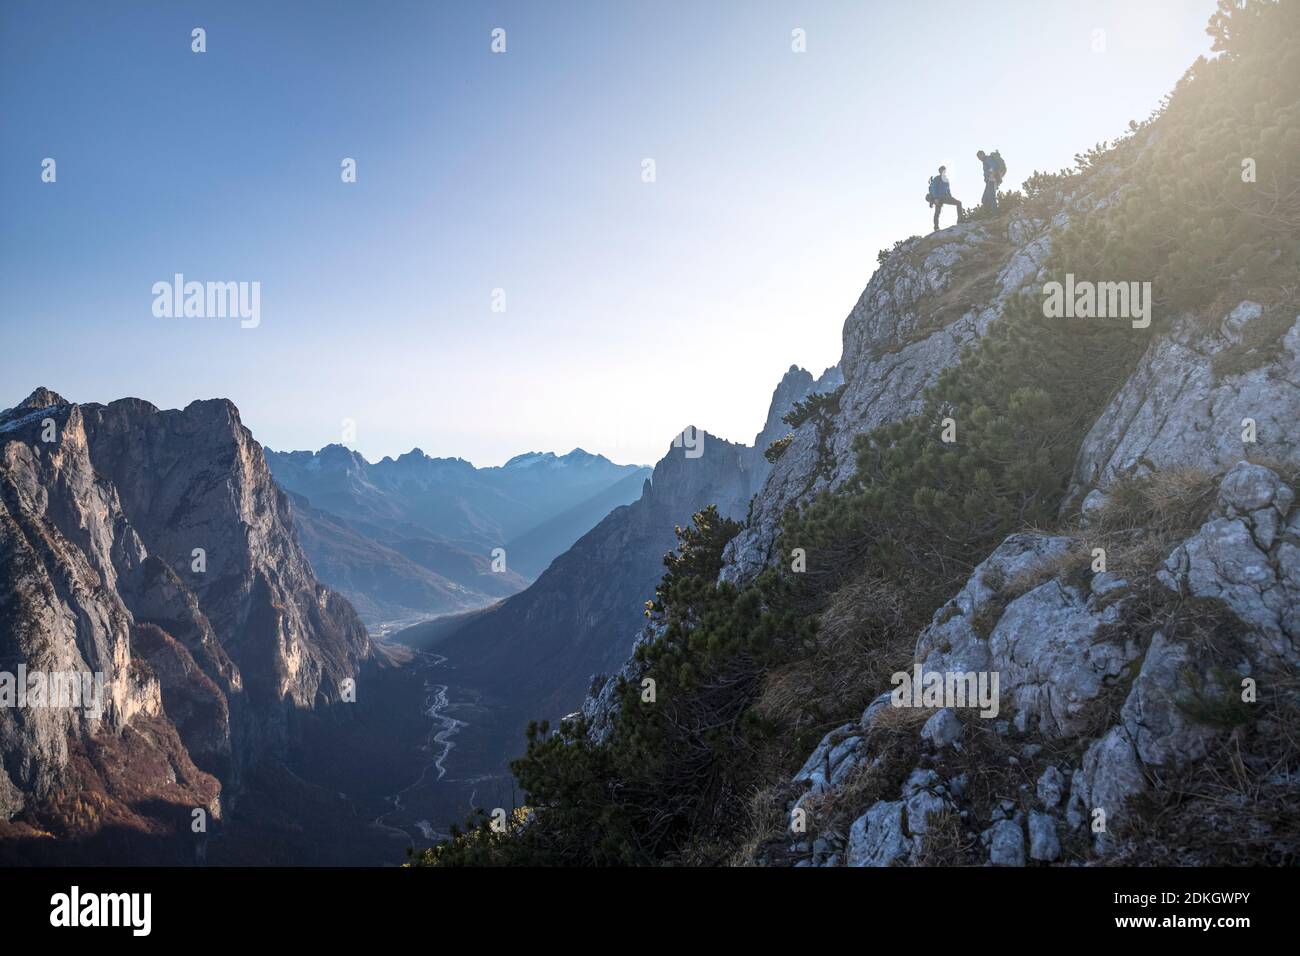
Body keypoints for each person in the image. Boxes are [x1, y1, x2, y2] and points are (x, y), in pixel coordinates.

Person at [928, 166, 962, 231]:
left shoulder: (946, 179)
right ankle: (936, 227)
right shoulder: (937, 178)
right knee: (937, 212)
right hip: (938, 198)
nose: (943, 171)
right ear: (939, 171)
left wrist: (951, 197)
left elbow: (948, 190)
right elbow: (934, 188)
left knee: (958, 203)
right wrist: (935, 198)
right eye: (941, 170)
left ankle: (960, 221)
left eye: (944, 170)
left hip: (946, 197)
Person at [977, 150, 1003, 215]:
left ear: (983, 154)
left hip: (992, 180)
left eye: (979, 156)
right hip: (990, 180)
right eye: (978, 157)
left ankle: (995, 213)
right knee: (985, 199)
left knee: (991, 196)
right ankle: (990, 213)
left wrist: (991, 175)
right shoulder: (985, 161)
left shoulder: (988, 159)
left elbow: (994, 166)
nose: (979, 158)